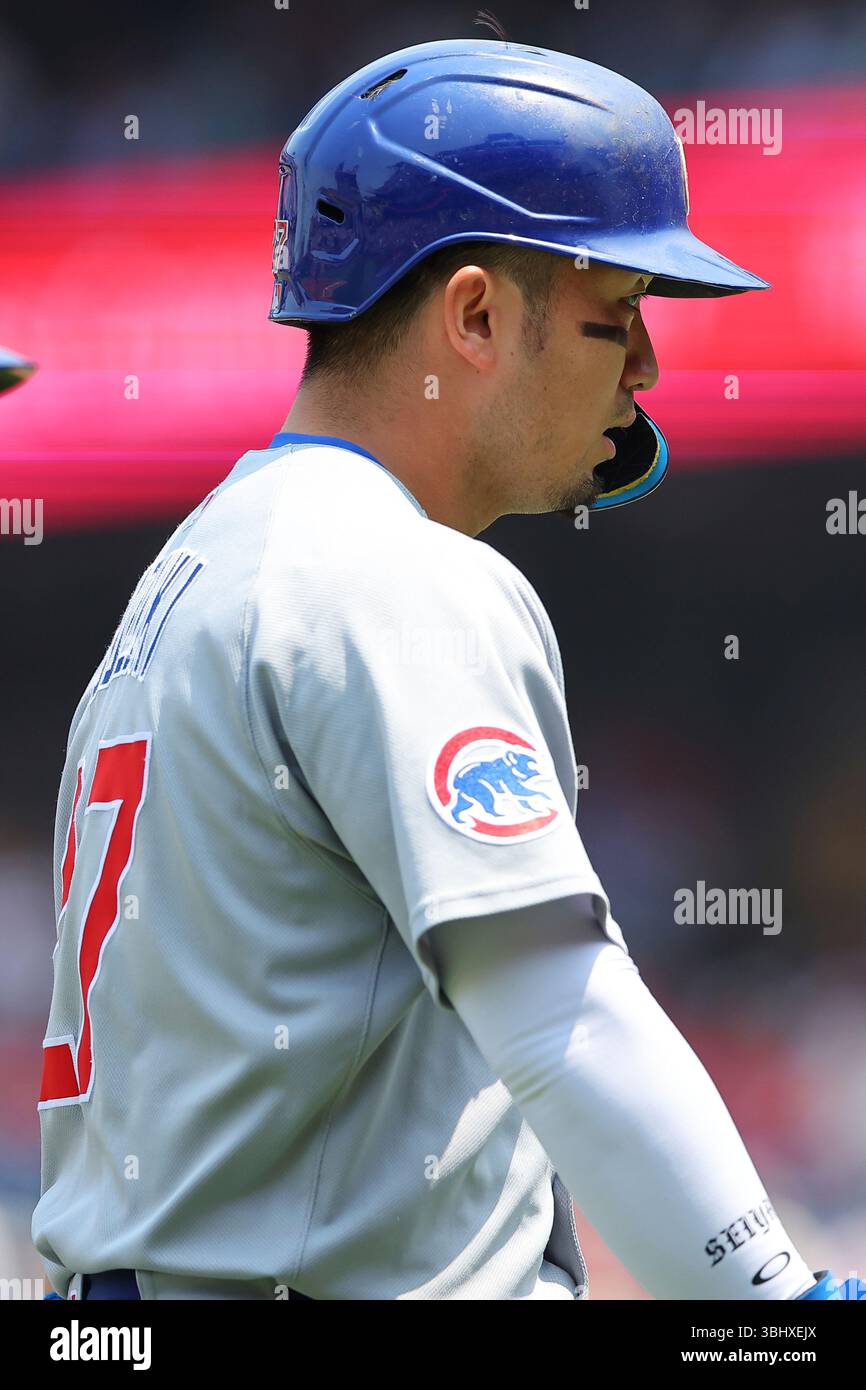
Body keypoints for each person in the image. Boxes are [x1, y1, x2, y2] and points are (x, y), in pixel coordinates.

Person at [33, 38, 837, 1300]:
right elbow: (559, 1017)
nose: (647, 370)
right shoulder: (384, 573)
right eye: (614, 313)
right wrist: (772, 1301)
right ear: (470, 317)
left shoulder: (200, 565)